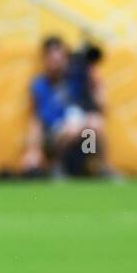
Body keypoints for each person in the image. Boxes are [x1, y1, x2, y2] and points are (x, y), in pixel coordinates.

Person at [21, 36, 107, 177]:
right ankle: (57, 166)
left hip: (79, 134)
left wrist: (94, 78)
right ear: (45, 59)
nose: (57, 62)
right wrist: (33, 149)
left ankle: (96, 165)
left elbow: (101, 107)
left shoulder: (76, 80)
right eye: (53, 58)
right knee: (71, 129)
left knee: (94, 124)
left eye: (61, 57)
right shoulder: (40, 85)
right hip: (53, 136)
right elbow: (35, 119)